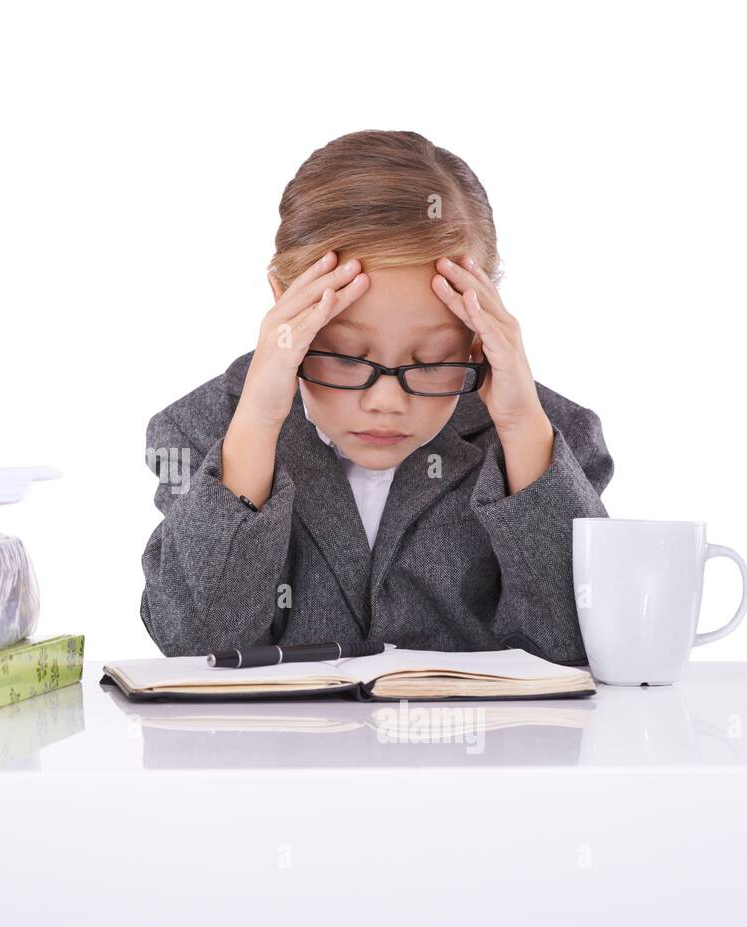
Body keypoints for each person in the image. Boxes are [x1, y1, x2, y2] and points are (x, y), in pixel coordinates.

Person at [140, 129, 613, 664]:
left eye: (432, 360)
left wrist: (523, 426)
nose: (387, 400)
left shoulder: (550, 440)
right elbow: (193, 646)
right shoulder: (204, 431)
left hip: (477, 747)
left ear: (481, 326)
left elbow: (579, 645)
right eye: (345, 356)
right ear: (284, 305)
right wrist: (258, 426)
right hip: (282, 749)